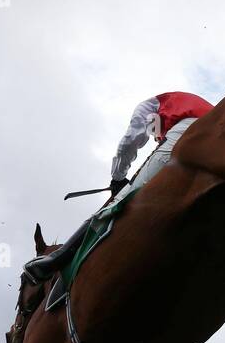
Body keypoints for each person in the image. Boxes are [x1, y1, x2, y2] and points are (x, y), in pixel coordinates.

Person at [22, 91, 214, 284]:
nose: (157, 139)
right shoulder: (180, 106)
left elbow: (130, 142)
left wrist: (118, 178)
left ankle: (56, 259)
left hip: (193, 128)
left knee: (122, 199)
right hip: (220, 132)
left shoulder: (149, 109)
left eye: (157, 137)